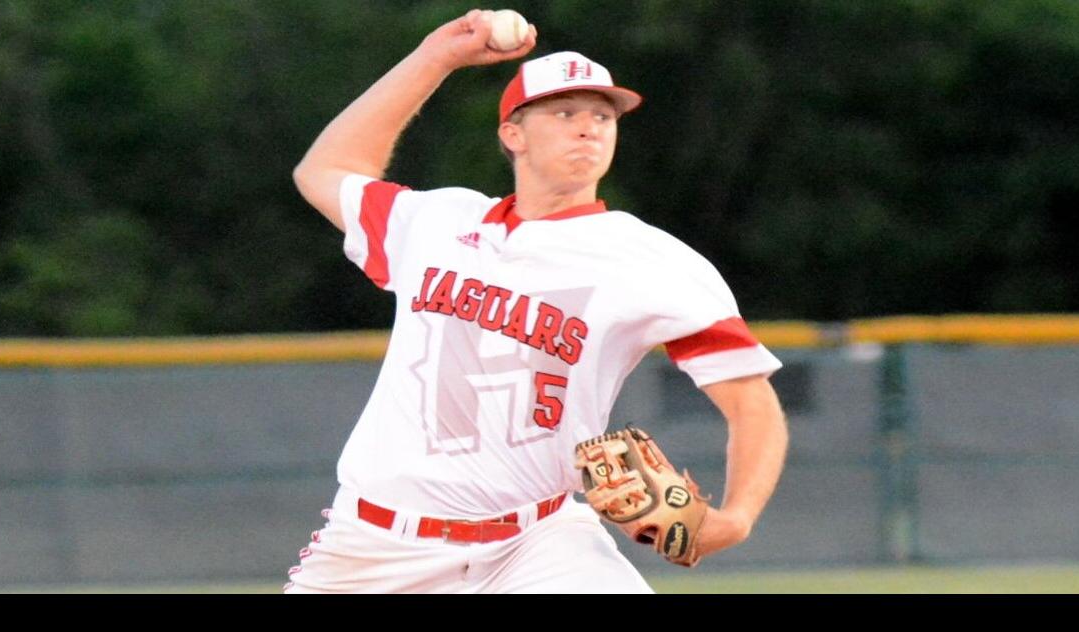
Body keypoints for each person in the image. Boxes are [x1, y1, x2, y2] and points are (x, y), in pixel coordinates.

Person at [285, 9, 789, 594]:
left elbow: (752, 402)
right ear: (513, 135)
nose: (589, 128)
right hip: (376, 548)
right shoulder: (435, 222)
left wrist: (738, 516)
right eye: (565, 112)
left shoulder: (653, 261)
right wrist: (435, 58)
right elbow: (325, 170)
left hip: (539, 542)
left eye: (604, 115)